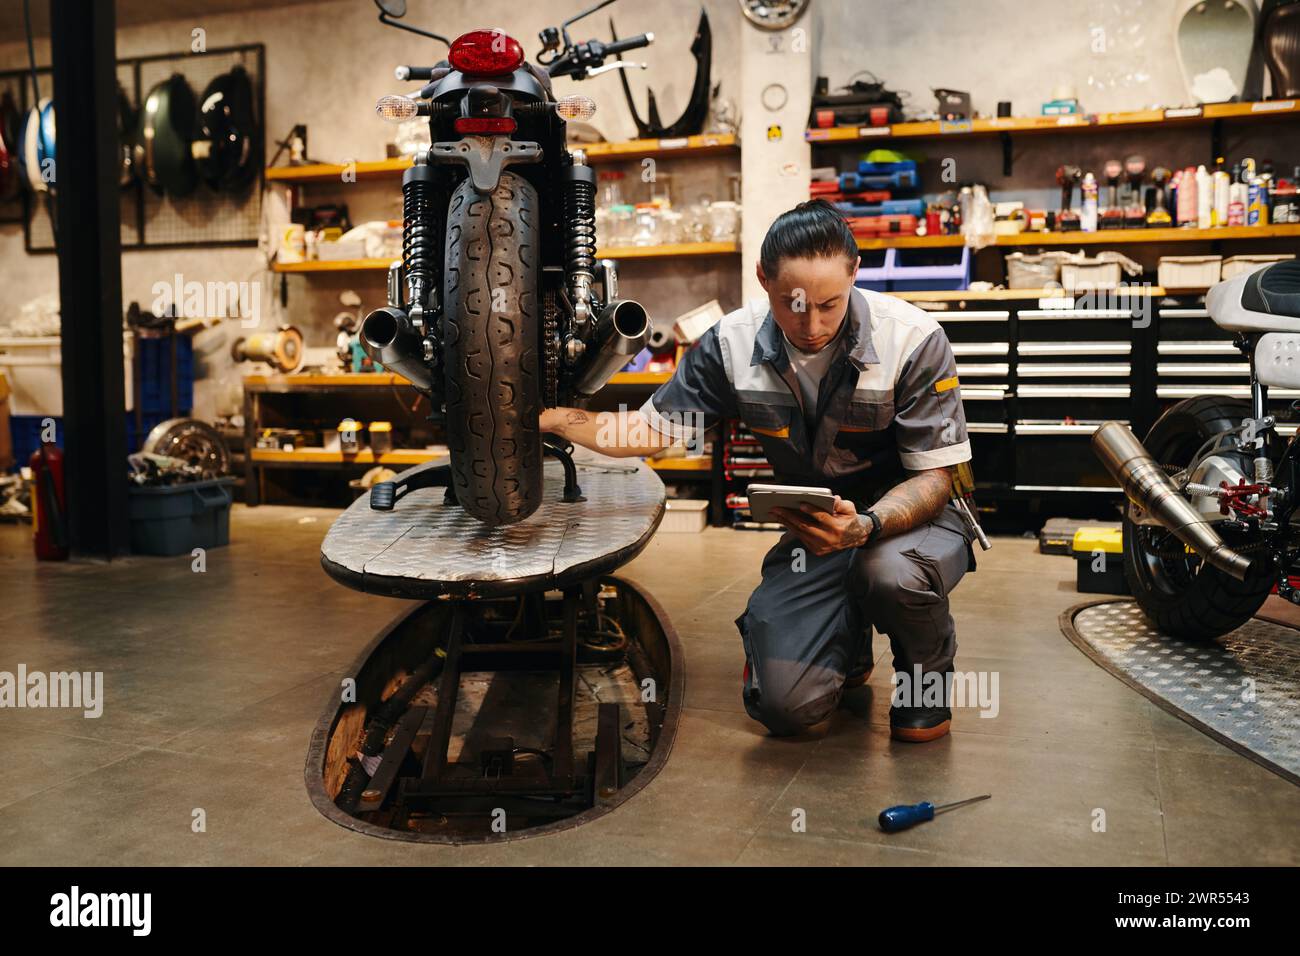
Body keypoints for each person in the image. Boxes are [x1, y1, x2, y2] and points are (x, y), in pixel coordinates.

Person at [541, 199, 976, 741]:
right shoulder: (730, 344)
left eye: (829, 304)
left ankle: (925, 686)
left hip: (915, 523)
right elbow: (644, 434)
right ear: (763, 279)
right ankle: (848, 647)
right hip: (821, 531)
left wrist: (866, 526)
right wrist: (552, 417)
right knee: (783, 709)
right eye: (794, 304)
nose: (812, 324)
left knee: (887, 575)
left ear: (855, 272)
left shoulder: (911, 338)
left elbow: (937, 479)